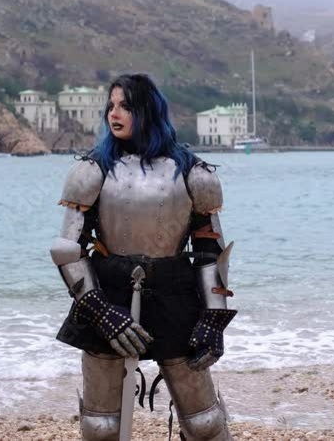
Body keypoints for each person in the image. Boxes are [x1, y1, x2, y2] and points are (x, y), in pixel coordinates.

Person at [49, 73, 236, 440]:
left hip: (175, 294)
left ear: (147, 111)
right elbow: (69, 250)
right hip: (108, 293)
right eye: (111, 106)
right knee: (100, 427)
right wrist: (100, 311)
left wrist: (214, 319)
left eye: (125, 106)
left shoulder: (193, 174)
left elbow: (209, 250)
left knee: (204, 424)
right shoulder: (90, 171)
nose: (114, 114)